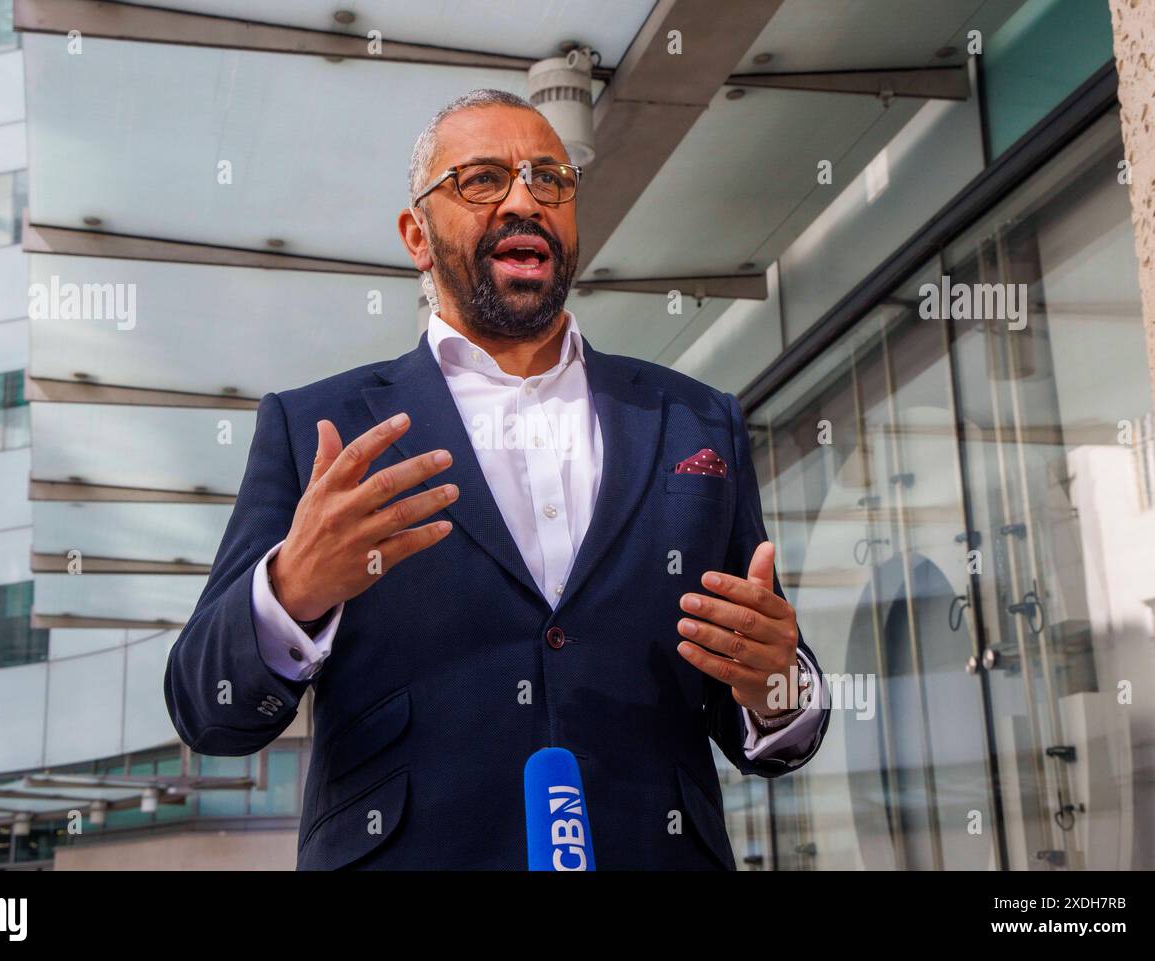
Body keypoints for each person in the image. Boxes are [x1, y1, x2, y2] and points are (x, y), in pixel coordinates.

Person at [164, 89, 829, 869]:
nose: (525, 199)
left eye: (550, 178)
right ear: (417, 235)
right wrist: (292, 589)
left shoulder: (695, 419)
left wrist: (780, 682)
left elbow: (768, 705)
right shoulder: (319, 427)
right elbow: (207, 709)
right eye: (482, 180)